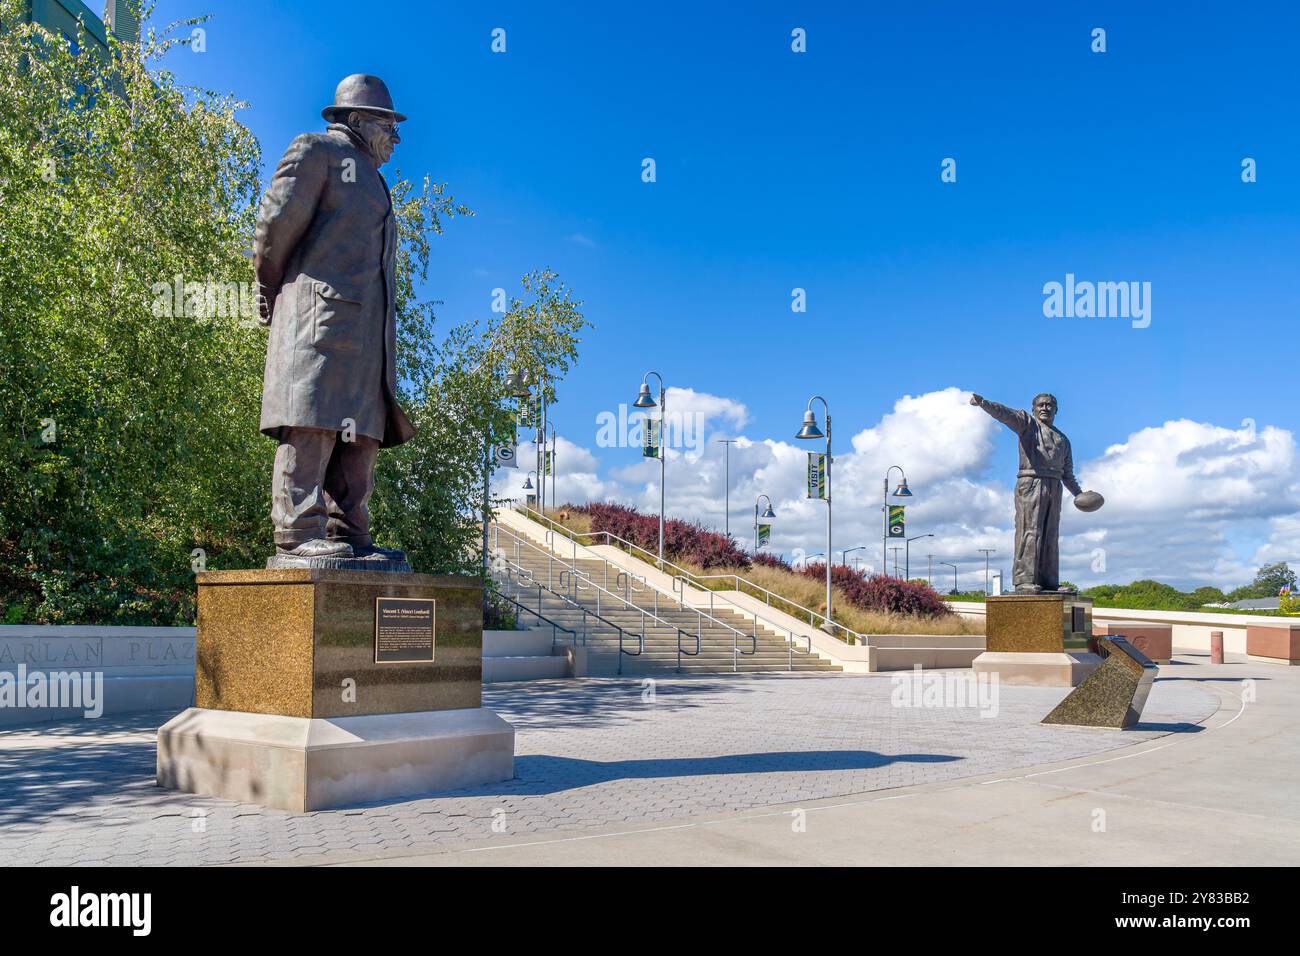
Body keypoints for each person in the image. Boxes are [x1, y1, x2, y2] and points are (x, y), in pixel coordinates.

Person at [254, 75, 415, 560]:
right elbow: (273, 228)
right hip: (318, 320)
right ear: (360, 120)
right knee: (312, 419)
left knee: (361, 430)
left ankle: (350, 532)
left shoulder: (376, 180)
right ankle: (299, 531)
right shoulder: (317, 152)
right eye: (390, 125)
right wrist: (271, 294)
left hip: (368, 338)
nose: (396, 138)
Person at [970, 392, 1093, 592]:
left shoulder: (1063, 440)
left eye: (1050, 405)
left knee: (1050, 534)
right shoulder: (1028, 425)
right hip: (1031, 482)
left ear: (1056, 410)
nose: (1045, 408)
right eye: (1041, 405)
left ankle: (1049, 582)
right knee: (1030, 530)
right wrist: (984, 403)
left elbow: (1067, 474)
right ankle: (1024, 580)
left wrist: (1079, 494)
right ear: (1034, 408)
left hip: (1054, 485)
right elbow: (1005, 414)